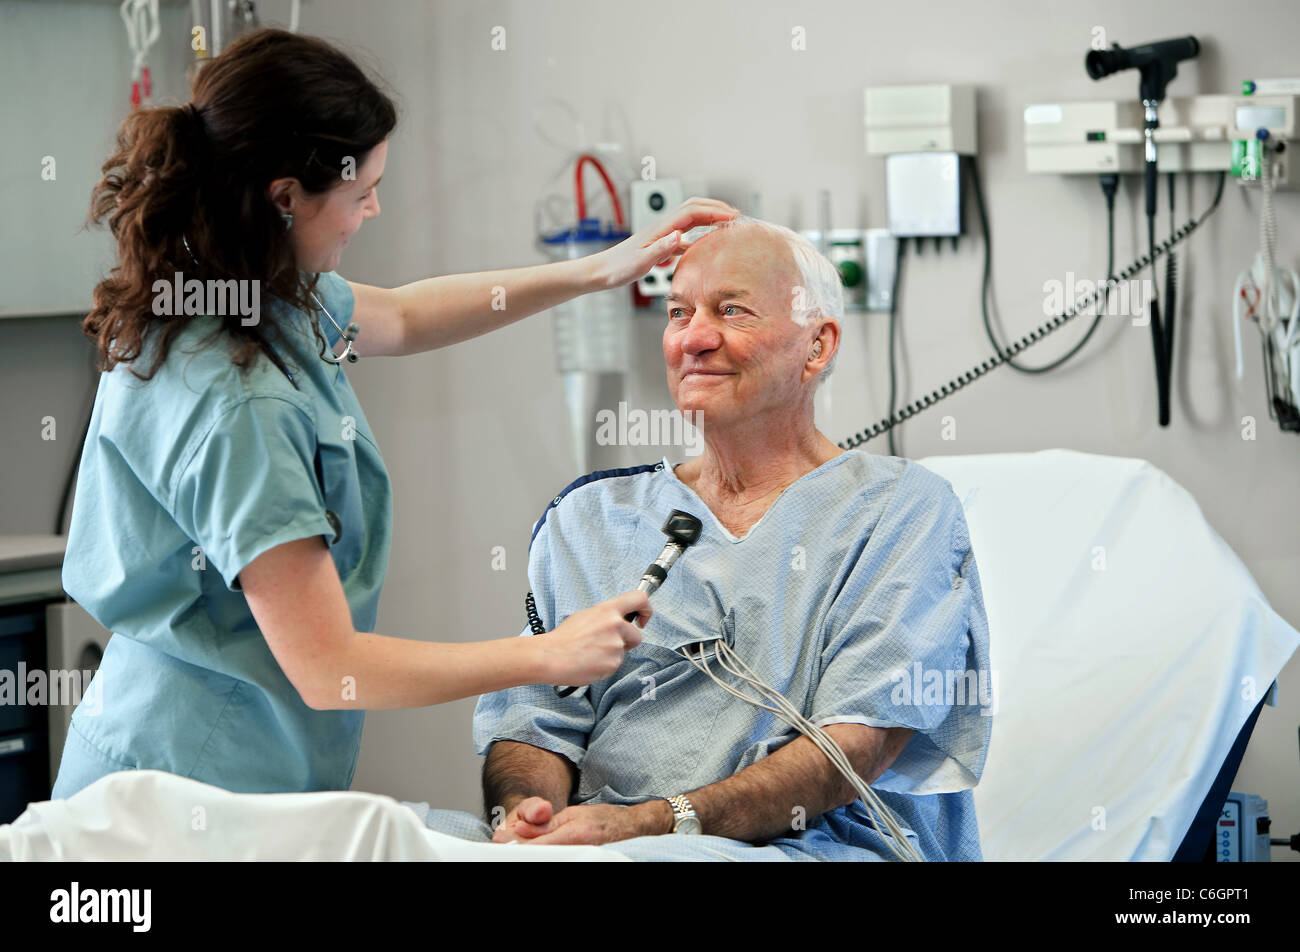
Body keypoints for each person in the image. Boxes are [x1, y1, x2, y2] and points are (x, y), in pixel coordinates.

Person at [51, 27, 736, 798]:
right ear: (284, 198)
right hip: (185, 788)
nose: (373, 208)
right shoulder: (237, 405)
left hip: (214, 757)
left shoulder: (243, 295)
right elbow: (330, 668)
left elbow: (407, 316)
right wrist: (546, 656)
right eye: (359, 191)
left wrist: (599, 270)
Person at [410, 217, 993, 860]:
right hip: (602, 842)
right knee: (380, 841)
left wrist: (655, 825)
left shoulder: (901, 512)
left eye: (732, 311)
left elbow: (857, 745)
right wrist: (530, 817)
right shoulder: (592, 518)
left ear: (817, 346)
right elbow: (536, 719)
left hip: (811, 844)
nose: (694, 338)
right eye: (679, 311)